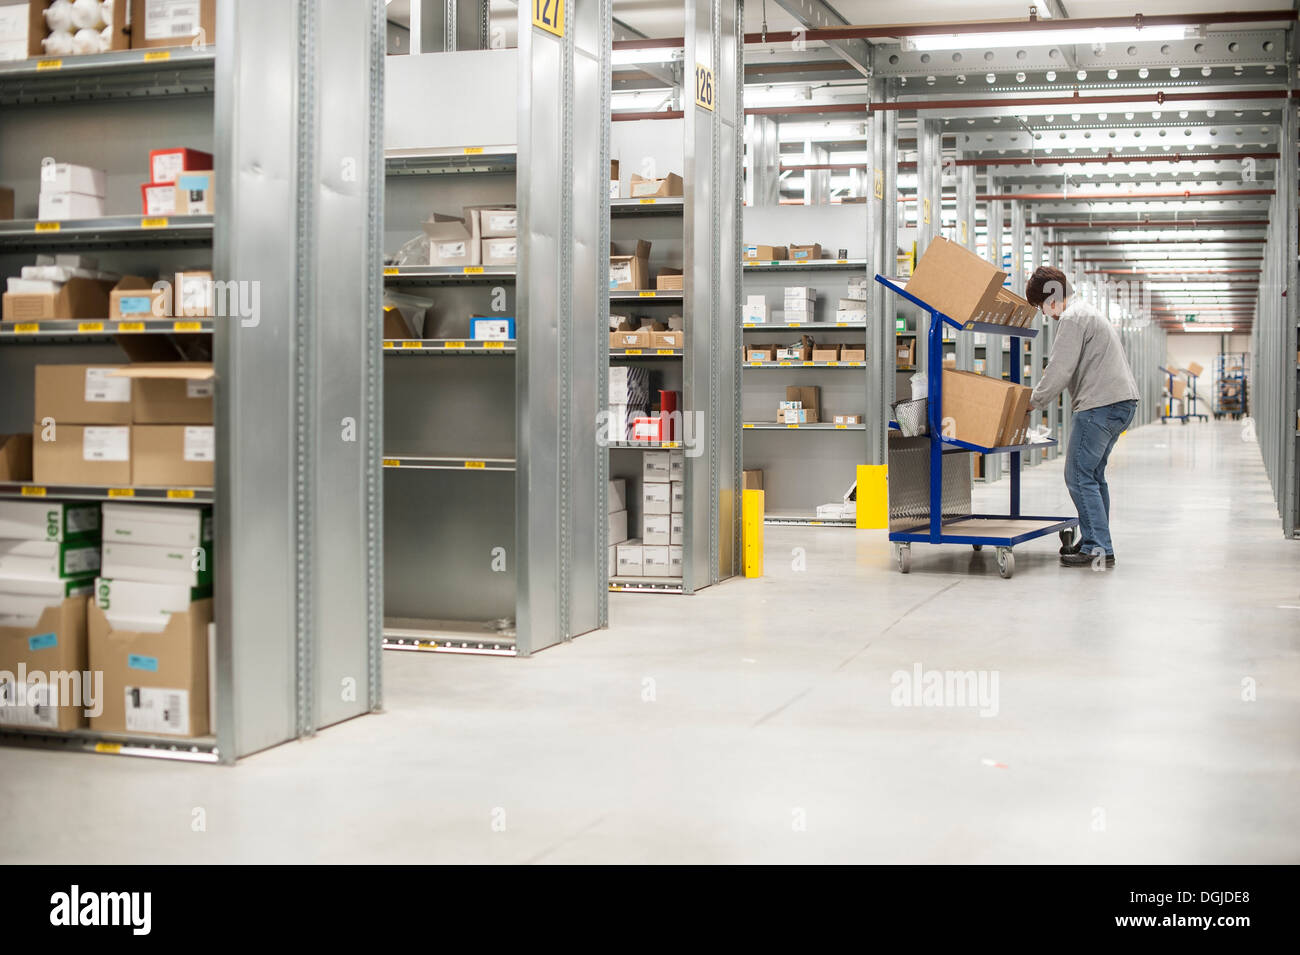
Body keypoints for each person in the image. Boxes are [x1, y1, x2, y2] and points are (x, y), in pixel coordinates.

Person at [1023, 267, 1140, 568]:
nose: (1044, 313)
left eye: (1041, 305)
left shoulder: (1073, 318)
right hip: (1120, 403)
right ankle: (1094, 539)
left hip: (1100, 405)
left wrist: (1031, 402)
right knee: (1093, 475)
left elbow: (1060, 369)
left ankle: (1098, 546)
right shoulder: (1086, 312)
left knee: (1077, 474)